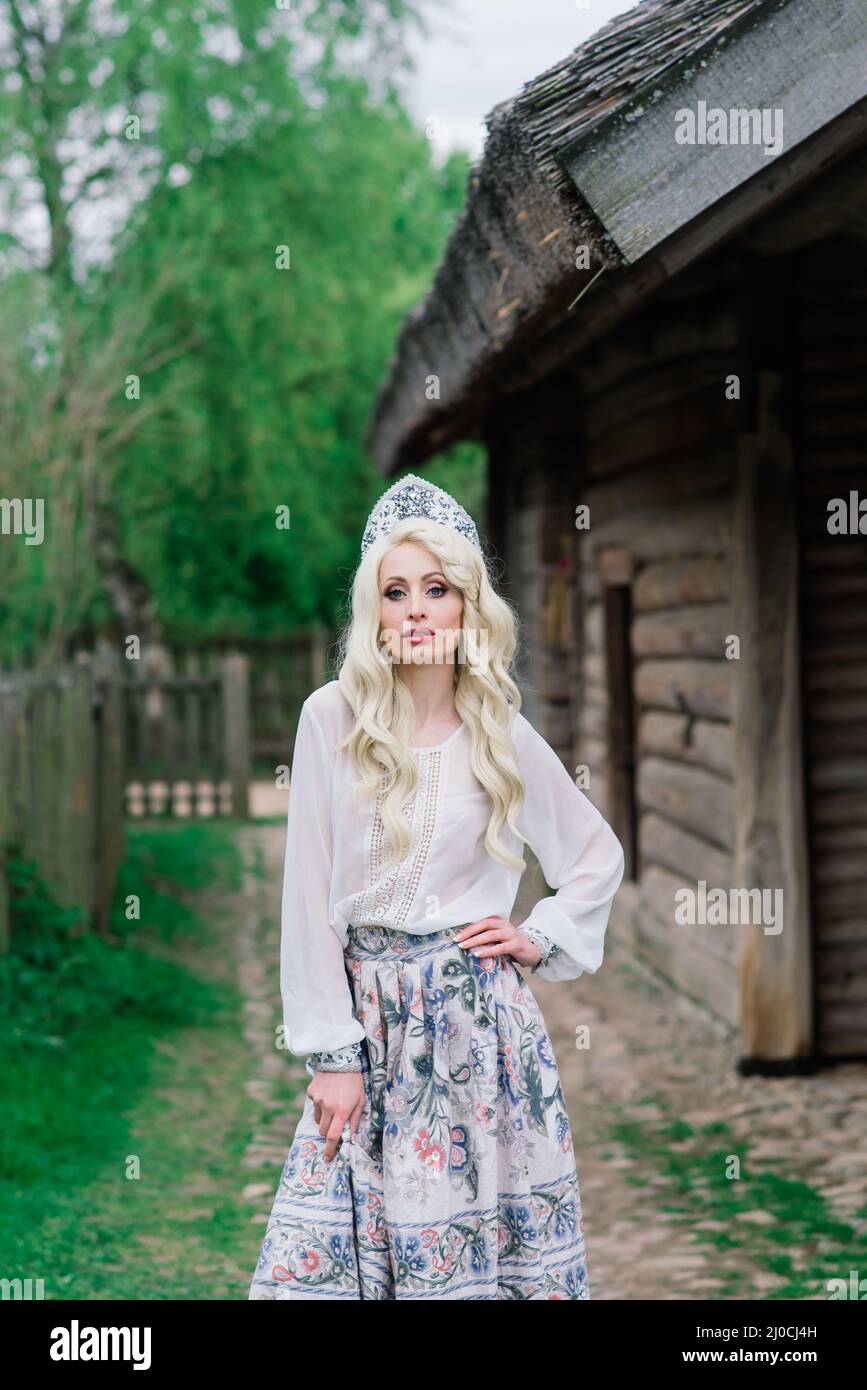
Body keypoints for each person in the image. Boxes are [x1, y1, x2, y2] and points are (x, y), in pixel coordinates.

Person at [248, 473, 624, 1300]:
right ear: (373, 612)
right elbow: (305, 901)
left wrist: (540, 936)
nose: (416, 609)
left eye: (438, 589)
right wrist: (332, 1054)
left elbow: (594, 855)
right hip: (371, 1023)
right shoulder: (330, 720)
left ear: (467, 607)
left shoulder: (501, 733)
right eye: (395, 591)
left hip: (482, 1034)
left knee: (471, 1265)